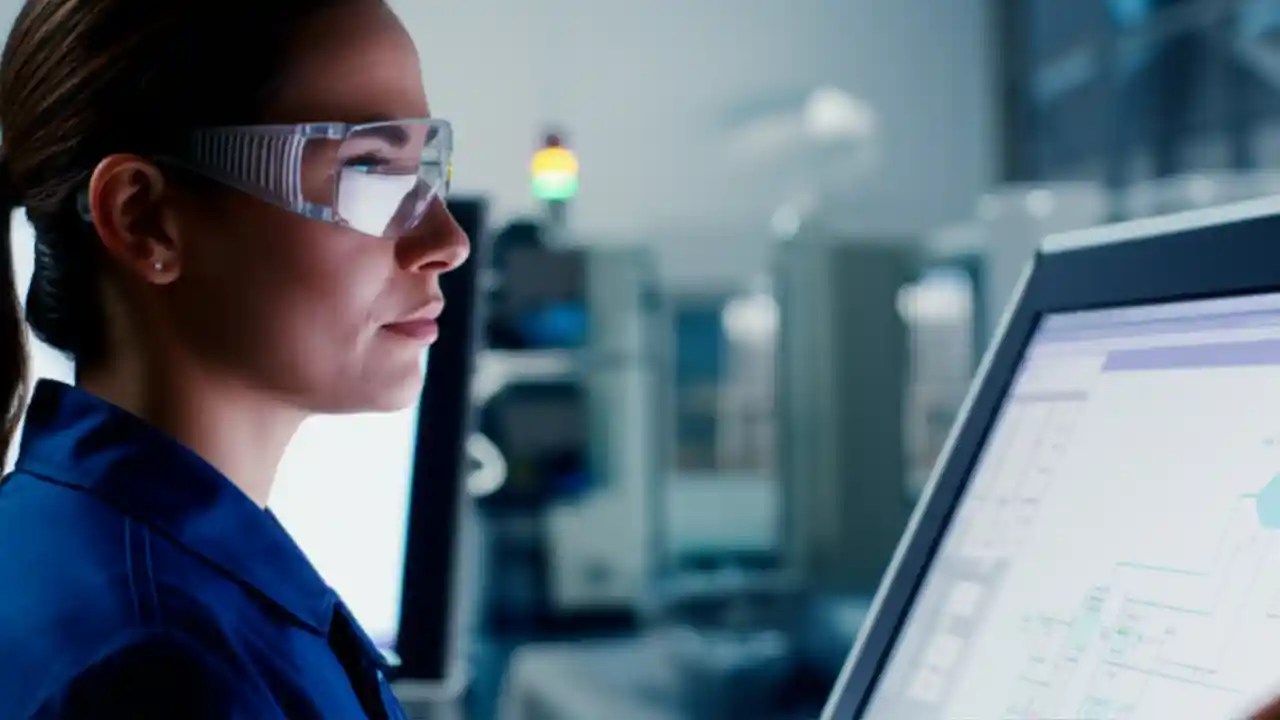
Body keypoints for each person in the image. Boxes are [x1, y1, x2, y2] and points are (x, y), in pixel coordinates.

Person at [0, 0, 467, 717]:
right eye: (368, 167)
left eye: (422, 167)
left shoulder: (82, 554)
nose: (447, 237)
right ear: (144, 218)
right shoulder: (159, 669)